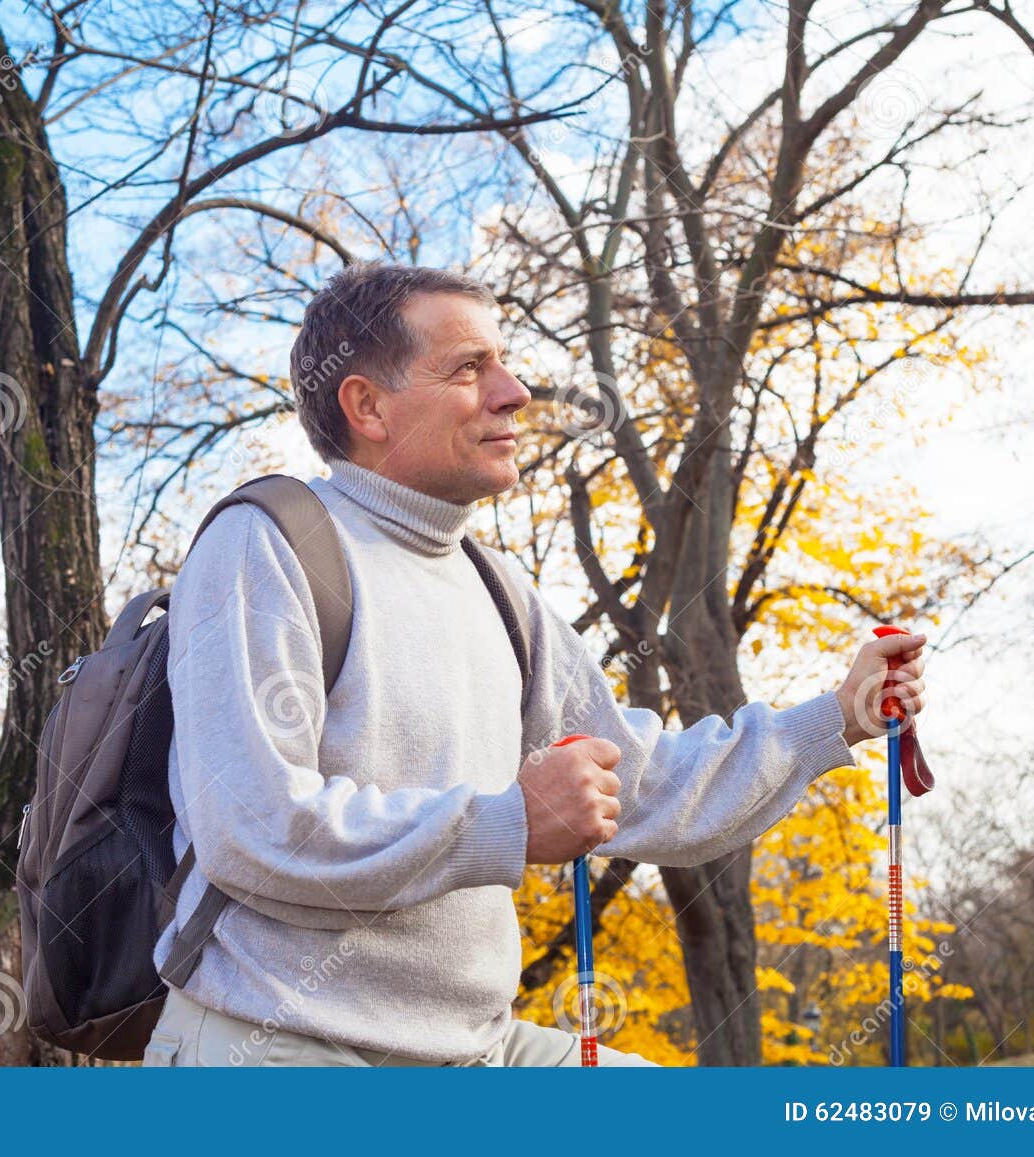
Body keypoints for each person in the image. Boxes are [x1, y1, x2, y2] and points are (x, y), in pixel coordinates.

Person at [144, 262, 929, 1067]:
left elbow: (643, 782)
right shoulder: (266, 544)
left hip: (478, 1051)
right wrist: (510, 822)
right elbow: (255, 828)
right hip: (281, 1049)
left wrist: (838, 716)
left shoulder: (496, 588)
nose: (514, 392)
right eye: (468, 368)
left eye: (504, 362)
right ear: (367, 405)